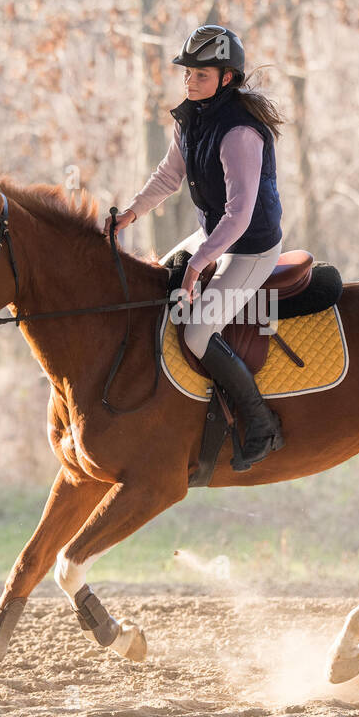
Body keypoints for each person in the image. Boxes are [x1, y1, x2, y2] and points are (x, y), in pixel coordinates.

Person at [105, 23, 286, 469]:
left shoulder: (240, 132)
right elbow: (169, 176)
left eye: (200, 75)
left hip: (250, 249)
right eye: (187, 73)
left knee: (198, 330)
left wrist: (196, 267)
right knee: (155, 293)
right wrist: (130, 212)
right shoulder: (192, 118)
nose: (190, 81)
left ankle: (260, 424)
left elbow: (240, 216)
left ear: (227, 78)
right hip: (215, 237)